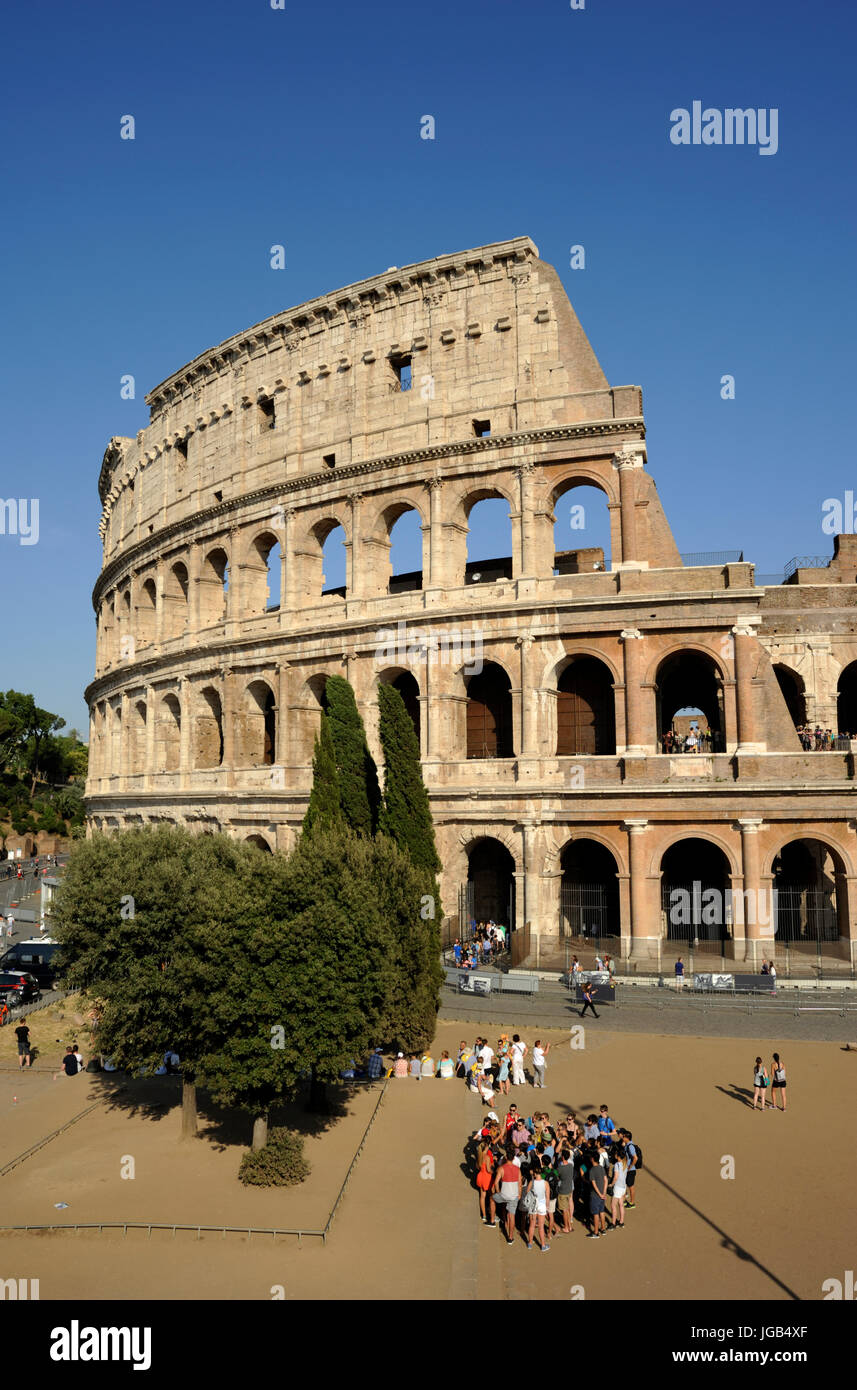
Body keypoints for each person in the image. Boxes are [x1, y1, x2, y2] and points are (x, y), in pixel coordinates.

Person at [493, 1151, 523, 1246]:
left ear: (506, 1158)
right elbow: (520, 1184)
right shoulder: (518, 1169)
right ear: (513, 1158)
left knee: (491, 1199)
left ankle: (493, 1219)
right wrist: (519, 1194)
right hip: (514, 1196)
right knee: (512, 1215)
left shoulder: (501, 1168)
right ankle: (510, 1237)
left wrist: (498, 1192)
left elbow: (496, 1182)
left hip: (504, 1195)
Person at [556, 1148, 575, 1233]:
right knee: (566, 1208)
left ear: (563, 1157)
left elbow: (557, 1177)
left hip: (563, 1190)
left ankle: (566, 1227)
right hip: (569, 1189)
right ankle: (569, 1226)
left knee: (564, 1210)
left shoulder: (560, 1168)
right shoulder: (571, 1166)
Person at [588, 1157, 608, 1239]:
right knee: (602, 1211)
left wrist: (599, 1194)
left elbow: (594, 1184)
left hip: (595, 1195)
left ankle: (596, 1232)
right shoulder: (601, 1168)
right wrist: (604, 1193)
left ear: (592, 1159)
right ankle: (603, 1229)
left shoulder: (592, 1170)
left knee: (595, 1213)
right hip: (602, 1194)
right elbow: (606, 1180)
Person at [609, 1147, 628, 1228]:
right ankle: (621, 1222)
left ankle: (613, 1223)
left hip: (618, 1187)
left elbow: (615, 1177)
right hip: (623, 1187)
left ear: (618, 1156)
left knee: (613, 1206)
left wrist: (611, 1184)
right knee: (621, 1205)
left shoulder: (617, 1164)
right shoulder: (625, 1164)